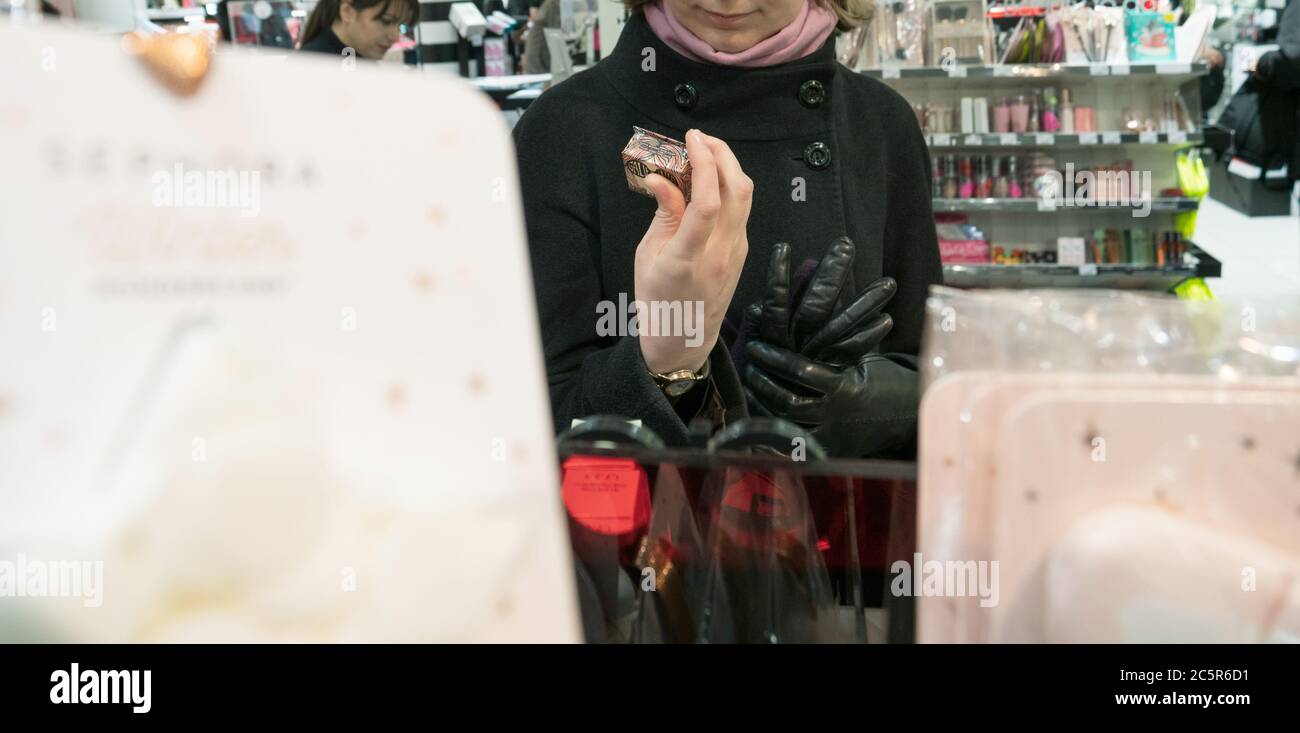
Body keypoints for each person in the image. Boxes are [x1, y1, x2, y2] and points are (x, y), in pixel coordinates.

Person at [513, 0, 943, 457]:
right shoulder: (561, 131)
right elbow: (528, 428)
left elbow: (934, 373)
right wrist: (665, 361)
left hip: (838, 503)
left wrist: (878, 405)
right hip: (647, 506)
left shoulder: (883, 125)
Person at [299, 0, 415, 59]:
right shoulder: (313, 65)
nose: (395, 37)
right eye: (386, 21)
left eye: (400, 25)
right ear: (347, 11)